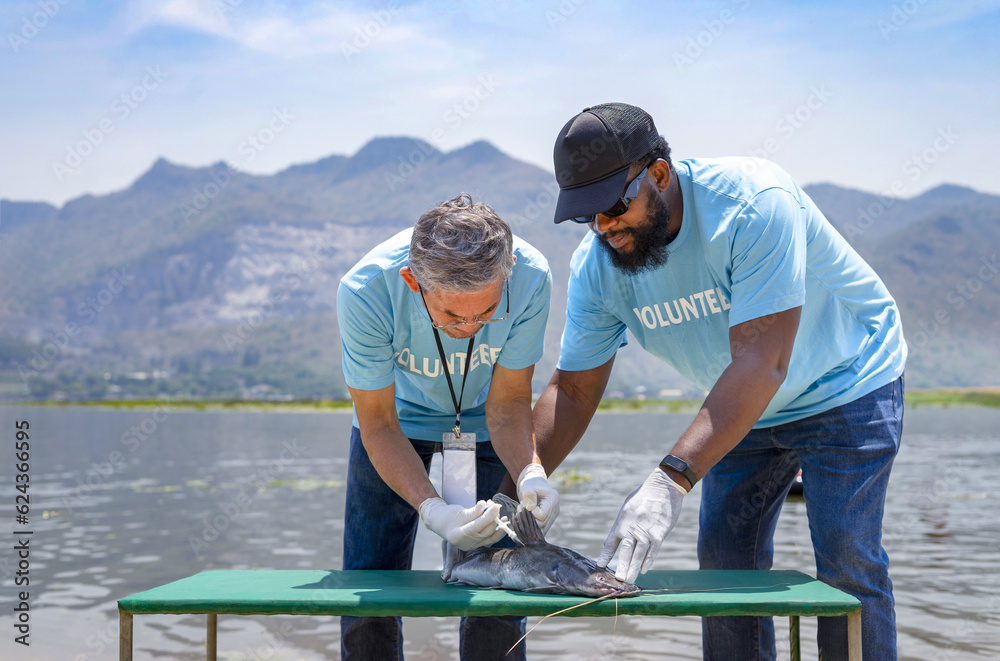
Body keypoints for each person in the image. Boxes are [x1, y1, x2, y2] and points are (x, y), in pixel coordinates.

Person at [534, 103, 906, 660]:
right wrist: (515, 485)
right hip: (741, 409)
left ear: (658, 174)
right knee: (727, 566)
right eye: (587, 215)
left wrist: (669, 480)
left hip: (846, 383)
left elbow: (762, 360)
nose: (603, 227)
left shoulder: (754, 204)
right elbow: (574, 389)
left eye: (613, 206)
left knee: (846, 558)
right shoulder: (598, 267)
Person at [336, 193, 560, 661]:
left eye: (486, 311)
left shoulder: (532, 276)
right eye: (453, 316)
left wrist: (530, 472)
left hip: (485, 418)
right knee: (370, 585)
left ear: (509, 270)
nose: (472, 328)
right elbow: (377, 423)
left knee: (500, 585)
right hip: (394, 424)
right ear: (412, 282)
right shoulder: (365, 291)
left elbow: (511, 401)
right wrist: (432, 508)